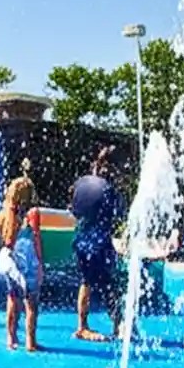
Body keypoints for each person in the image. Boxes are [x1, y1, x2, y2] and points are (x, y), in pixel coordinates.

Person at [70, 145, 126, 341]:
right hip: (99, 243)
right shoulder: (109, 190)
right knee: (108, 283)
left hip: (81, 239)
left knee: (87, 282)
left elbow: (74, 211)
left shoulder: (82, 183)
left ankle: (84, 324)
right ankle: (116, 324)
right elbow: (117, 216)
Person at [0, 177, 44, 352]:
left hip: (8, 260)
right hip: (27, 261)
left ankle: (11, 338)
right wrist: (40, 264)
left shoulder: (3, 214)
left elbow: (0, 240)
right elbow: (36, 239)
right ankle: (31, 342)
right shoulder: (32, 214)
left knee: (12, 297)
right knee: (31, 303)